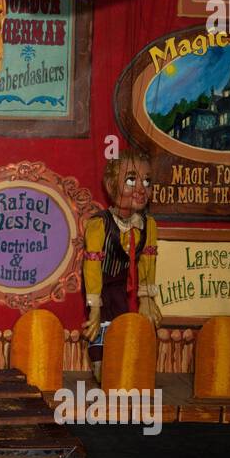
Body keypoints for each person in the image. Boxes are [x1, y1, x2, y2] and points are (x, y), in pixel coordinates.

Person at [81, 148, 160, 382]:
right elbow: (92, 266)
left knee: (133, 324)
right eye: (131, 180)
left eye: (147, 181)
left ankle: (131, 367)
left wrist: (147, 298)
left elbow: (147, 261)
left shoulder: (149, 225)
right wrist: (94, 305)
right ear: (110, 184)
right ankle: (101, 366)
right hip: (103, 284)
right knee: (102, 325)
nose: (141, 189)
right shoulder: (99, 224)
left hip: (129, 286)